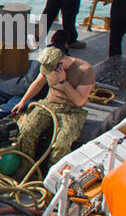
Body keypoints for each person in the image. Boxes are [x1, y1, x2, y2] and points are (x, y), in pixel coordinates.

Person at [11, 32, 94, 168]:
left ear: (60, 63)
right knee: (26, 132)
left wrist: (64, 81)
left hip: (71, 110)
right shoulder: (48, 66)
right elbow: (37, 83)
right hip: (49, 104)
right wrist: (23, 101)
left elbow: (80, 101)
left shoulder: (85, 70)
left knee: (61, 145)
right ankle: (26, 168)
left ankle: (52, 174)